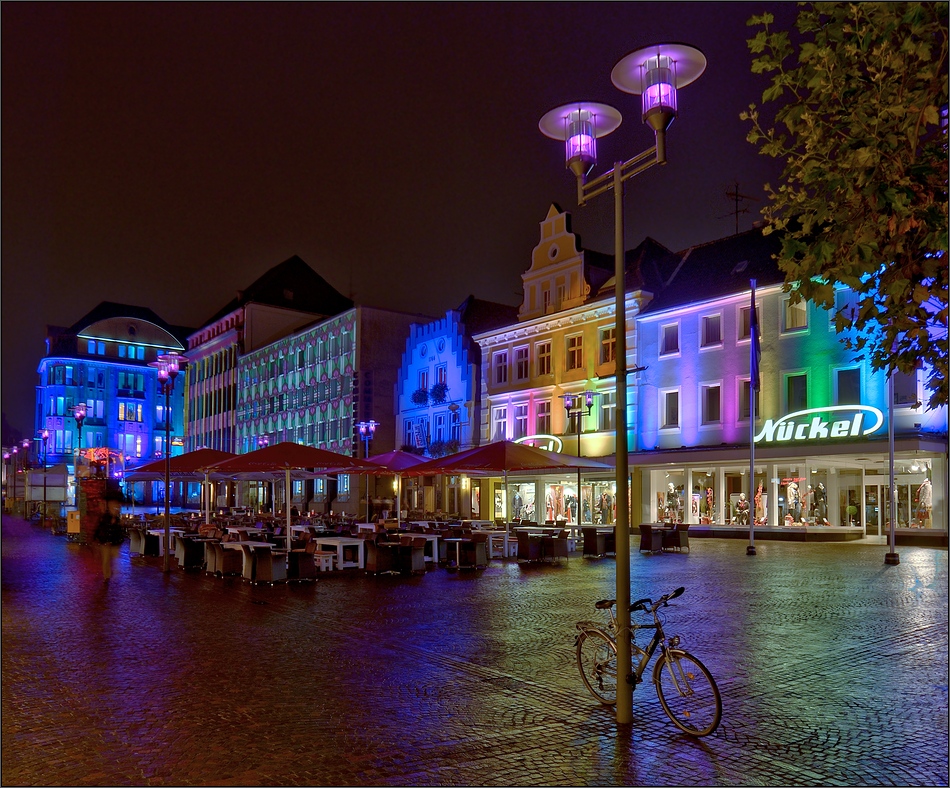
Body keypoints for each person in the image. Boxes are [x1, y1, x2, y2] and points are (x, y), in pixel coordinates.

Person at [94, 488, 125, 581]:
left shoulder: (114, 518)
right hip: (106, 541)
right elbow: (100, 528)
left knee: (111, 557)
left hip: (112, 541)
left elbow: (118, 530)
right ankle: (107, 575)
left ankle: (108, 574)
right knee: (106, 559)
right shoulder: (105, 518)